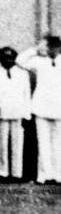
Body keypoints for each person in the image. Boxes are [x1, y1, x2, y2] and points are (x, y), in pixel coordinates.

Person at [22, 34, 61, 183]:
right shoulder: (39, 61)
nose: (51, 49)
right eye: (48, 46)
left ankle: (58, 174)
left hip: (58, 107)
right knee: (43, 142)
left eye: (54, 47)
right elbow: (20, 61)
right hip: (42, 107)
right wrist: (35, 49)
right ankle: (44, 175)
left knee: (58, 143)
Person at [0, 47, 32, 181]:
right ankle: (1, 171)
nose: (7, 60)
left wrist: (27, 114)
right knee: (1, 143)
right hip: (2, 112)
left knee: (17, 143)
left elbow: (26, 95)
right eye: (4, 57)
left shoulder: (22, 73)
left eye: (10, 57)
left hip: (18, 112)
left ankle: (16, 172)